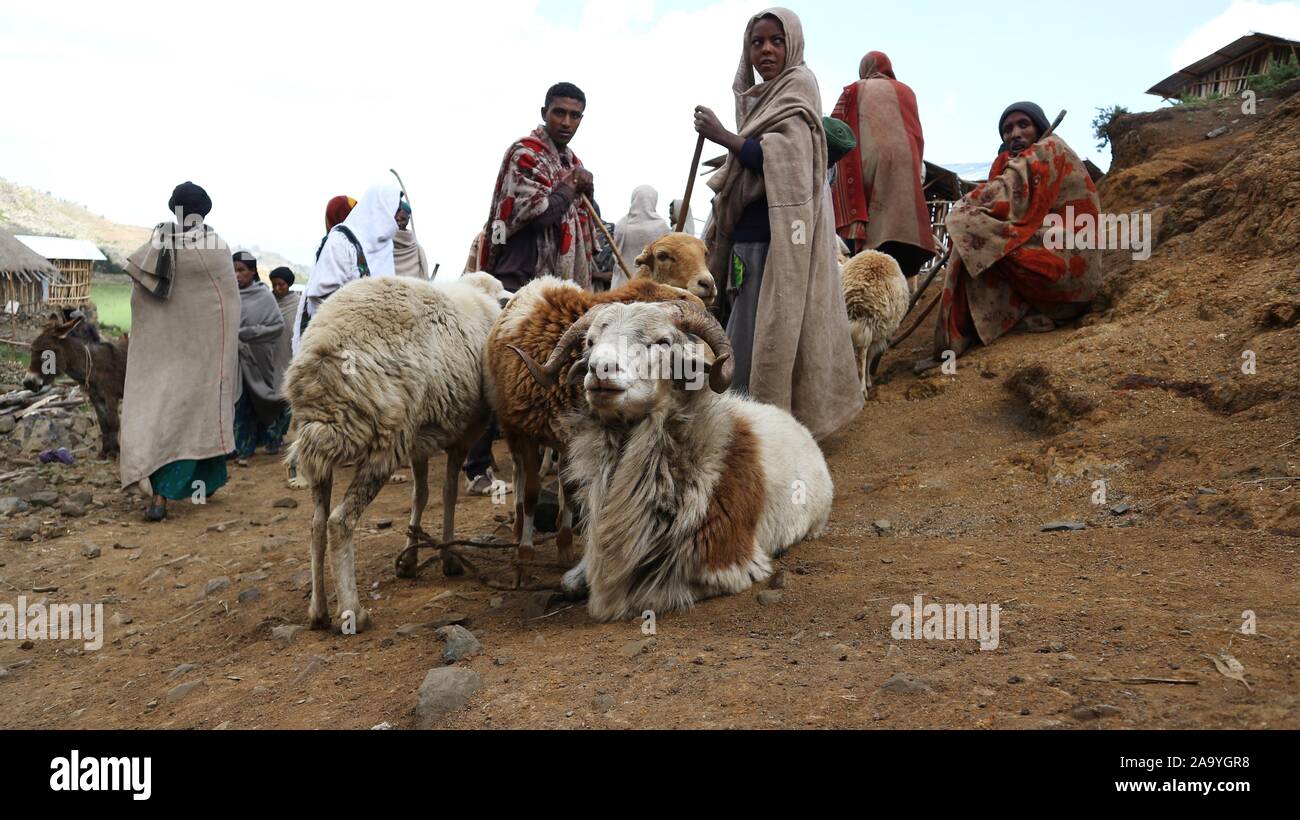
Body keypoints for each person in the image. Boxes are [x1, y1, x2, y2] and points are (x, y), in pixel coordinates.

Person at [694, 7, 862, 441]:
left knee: (757, 332)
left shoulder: (798, 86)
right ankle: (751, 422)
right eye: (757, 43)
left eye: (776, 41)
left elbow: (781, 162)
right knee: (746, 329)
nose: (765, 50)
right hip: (749, 241)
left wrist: (723, 137)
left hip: (777, 241)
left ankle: (753, 429)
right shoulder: (763, 96)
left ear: (793, 45)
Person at [463, 81, 599, 493]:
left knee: (548, 367)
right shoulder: (524, 154)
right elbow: (533, 212)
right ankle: (476, 465)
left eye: (575, 115)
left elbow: (585, 218)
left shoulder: (570, 161)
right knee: (503, 364)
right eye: (560, 113)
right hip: (518, 273)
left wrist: (585, 189)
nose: (567, 122)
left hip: (557, 281)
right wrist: (571, 187)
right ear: (544, 112)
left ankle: (551, 465)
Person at [921, 102, 1101, 370]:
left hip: (1069, 269)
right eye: (1007, 129)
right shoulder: (1017, 161)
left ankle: (954, 338)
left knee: (969, 229)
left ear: (1039, 127)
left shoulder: (1049, 149)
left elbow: (1001, 199)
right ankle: (1008, 319)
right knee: (979, 241)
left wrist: (962, 214)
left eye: (1023, 125)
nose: (1014, 134)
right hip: (1065, 279)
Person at [119, 182, 240, 522]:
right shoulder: (217, 249)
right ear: (206, 210)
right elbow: (229, 307)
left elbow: (140, 305)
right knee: (197, 415)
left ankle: (168, 496)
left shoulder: (155, 246)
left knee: (166, 415)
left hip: (164, 358)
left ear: (175, 208)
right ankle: (175, 492)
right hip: (204, 357)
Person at [830, 51, 935, 277]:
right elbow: (917, 136)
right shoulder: (908, 93)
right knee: (898, 216)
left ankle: (867, 263)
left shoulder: (855, 89)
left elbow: (837, 132)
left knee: (873, 224)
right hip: (907, 171)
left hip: (869, 166)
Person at [293, 182, 402, 352]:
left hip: (372, 347)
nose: (398, 218)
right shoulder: (341, 243)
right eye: (395, 210)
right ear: (381, 208)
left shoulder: (385, 246)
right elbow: (320, 296)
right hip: (337, 346)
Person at [231, 251, 286, 460]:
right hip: (236, 359)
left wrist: (248, 333)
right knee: (240, 401)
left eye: (241, 270)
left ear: (252, 272)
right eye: (233, 270)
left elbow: (277, 326)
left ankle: (273, 436)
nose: (236, 275)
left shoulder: (264, 296)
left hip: (259, 357)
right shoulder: (230, 295)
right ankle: (243, 446)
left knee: (262, 399)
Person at [611, 185, 670, 289]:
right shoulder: (662, 227)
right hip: (649, 287)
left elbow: (615, 253)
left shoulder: (622, 224)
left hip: (622, 285)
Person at [267, 266, 298, 453]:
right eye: (274, 285)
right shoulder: (268, 301)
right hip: (270, 356)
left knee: (287, 397)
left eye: (281, 284)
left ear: (289, 284)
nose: (278, 289)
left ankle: (278, 434)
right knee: (270, 398)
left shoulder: (298, 302)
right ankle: (272, 437)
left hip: (290, 356)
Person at [393, 198, 430, 279]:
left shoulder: (417, 249)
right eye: (396, 220)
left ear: (408, 220)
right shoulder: (382, 245)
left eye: (403, 219)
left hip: (412, 290)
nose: (399, 223)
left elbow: (425, 277)